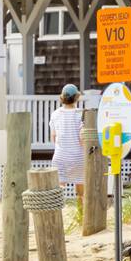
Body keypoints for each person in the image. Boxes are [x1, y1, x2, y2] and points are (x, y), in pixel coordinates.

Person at [50, 84, 86, 222]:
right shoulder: (80, 113)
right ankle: (81, 218)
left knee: (58, 189)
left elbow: (53, 136)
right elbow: (82, 138)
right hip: (78, 156)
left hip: (60, 156)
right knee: (81, 191)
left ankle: (55, 219)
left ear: (62, 98)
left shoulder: (55, 114)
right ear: (77, 97)